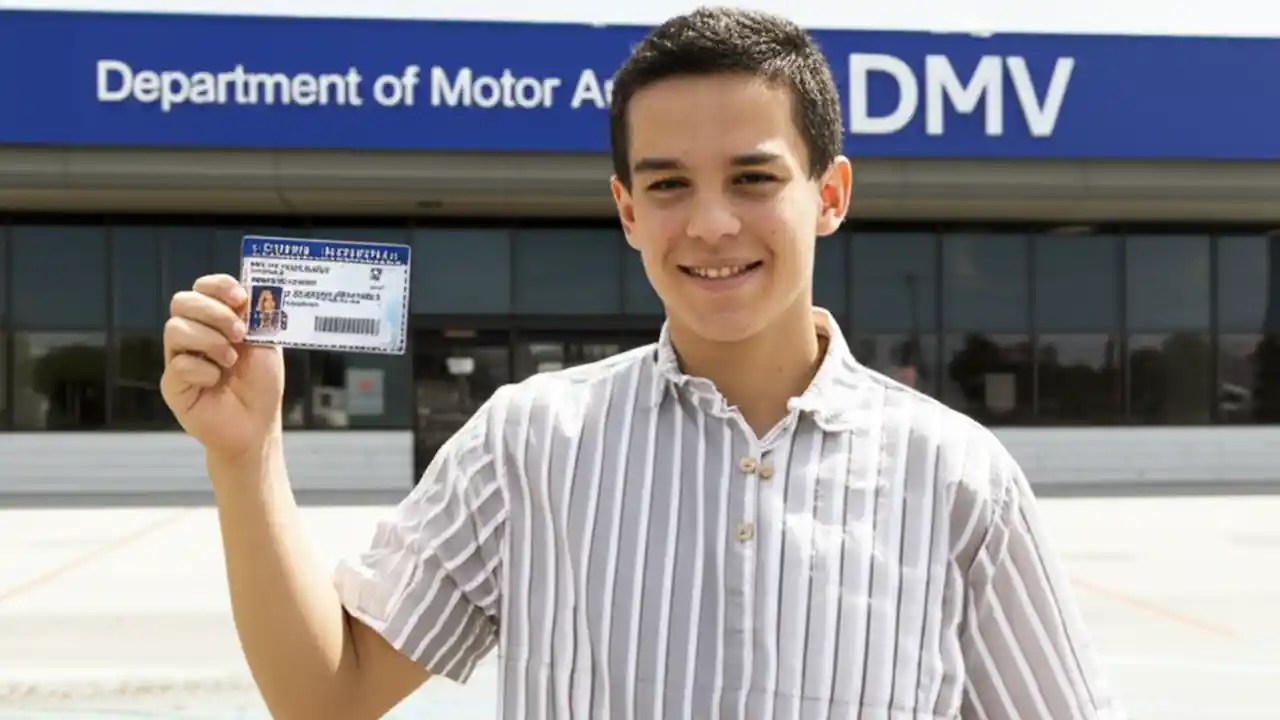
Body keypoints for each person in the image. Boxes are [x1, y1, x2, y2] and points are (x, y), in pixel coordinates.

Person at [160, 7, 1125, 719]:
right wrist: (246, 457)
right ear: (627, 210)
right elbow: (326, 697)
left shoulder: (955, 477)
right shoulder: (530, 443)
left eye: (753, 178)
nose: (711, 223)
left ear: (829, 194)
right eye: (668, 185)